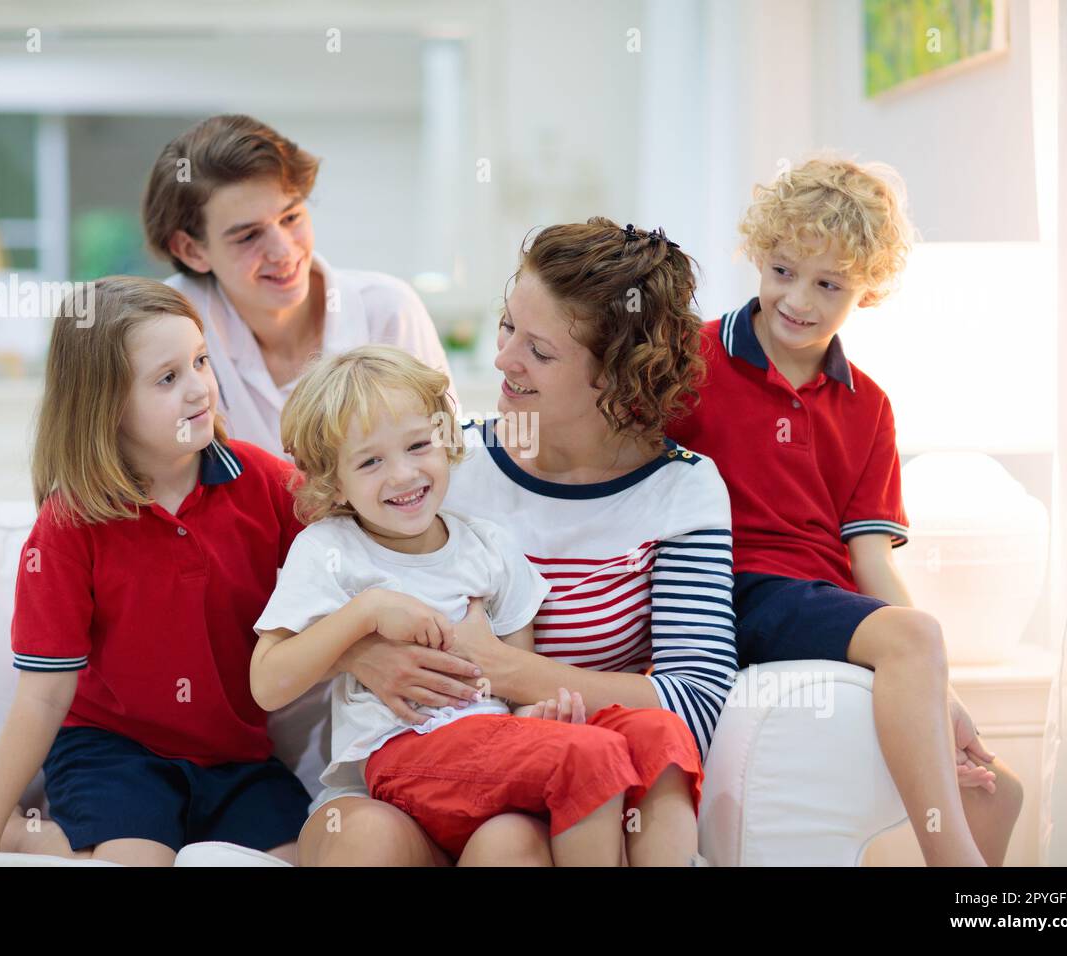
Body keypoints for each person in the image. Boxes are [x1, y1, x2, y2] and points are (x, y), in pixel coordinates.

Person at [294, 219, 737, 866]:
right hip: (408, 777)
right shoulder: (438, 467)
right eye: (508, 327)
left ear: (618, 374)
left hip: (572, 776)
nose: (503, 360)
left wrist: (509, 672)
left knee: (602, 784)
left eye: (540, 349)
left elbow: (694, 704)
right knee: (372, 838)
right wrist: (360, 651)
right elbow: (311, 593)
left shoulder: (681, 490)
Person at [0, 277, 312, 865]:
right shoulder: (68, 526)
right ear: (104, 404)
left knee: (298, 857)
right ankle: (15, 832)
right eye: (167, 378)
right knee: (136, 861)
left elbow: (352, 560)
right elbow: (42, 696)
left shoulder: (265, 484)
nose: (198, 389)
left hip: (237, 757)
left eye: (201, 362)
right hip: (114, 751)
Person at [665, 156, 1024, 866]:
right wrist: (916, 648)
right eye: (781, 271)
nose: (797, 299)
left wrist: (935, 689)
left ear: (868, 289)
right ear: (759, 260)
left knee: (1000, 792)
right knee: (915, 638)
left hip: (822, 604)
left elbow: (870, 564)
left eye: (828, 284)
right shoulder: (691, 362)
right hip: (730, 592)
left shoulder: (870, 404)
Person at [251, 345, 703, 865]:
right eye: (370, 460)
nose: (402, 475)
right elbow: (267, 684)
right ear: (334, 480)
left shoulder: (487, 546)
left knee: (659, 732)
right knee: (589, 755)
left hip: (493, 752)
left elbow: (514, 685)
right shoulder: (331, 549)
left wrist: (540, 714)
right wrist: (366, 612)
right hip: (401, 753)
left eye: (418, 445)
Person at [142, 113, 458, 460]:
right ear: (191, 250)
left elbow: (445, 458)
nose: (283, 250)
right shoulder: (170, 326)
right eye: (248, 236)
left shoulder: (388, 311)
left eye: (291, 218)